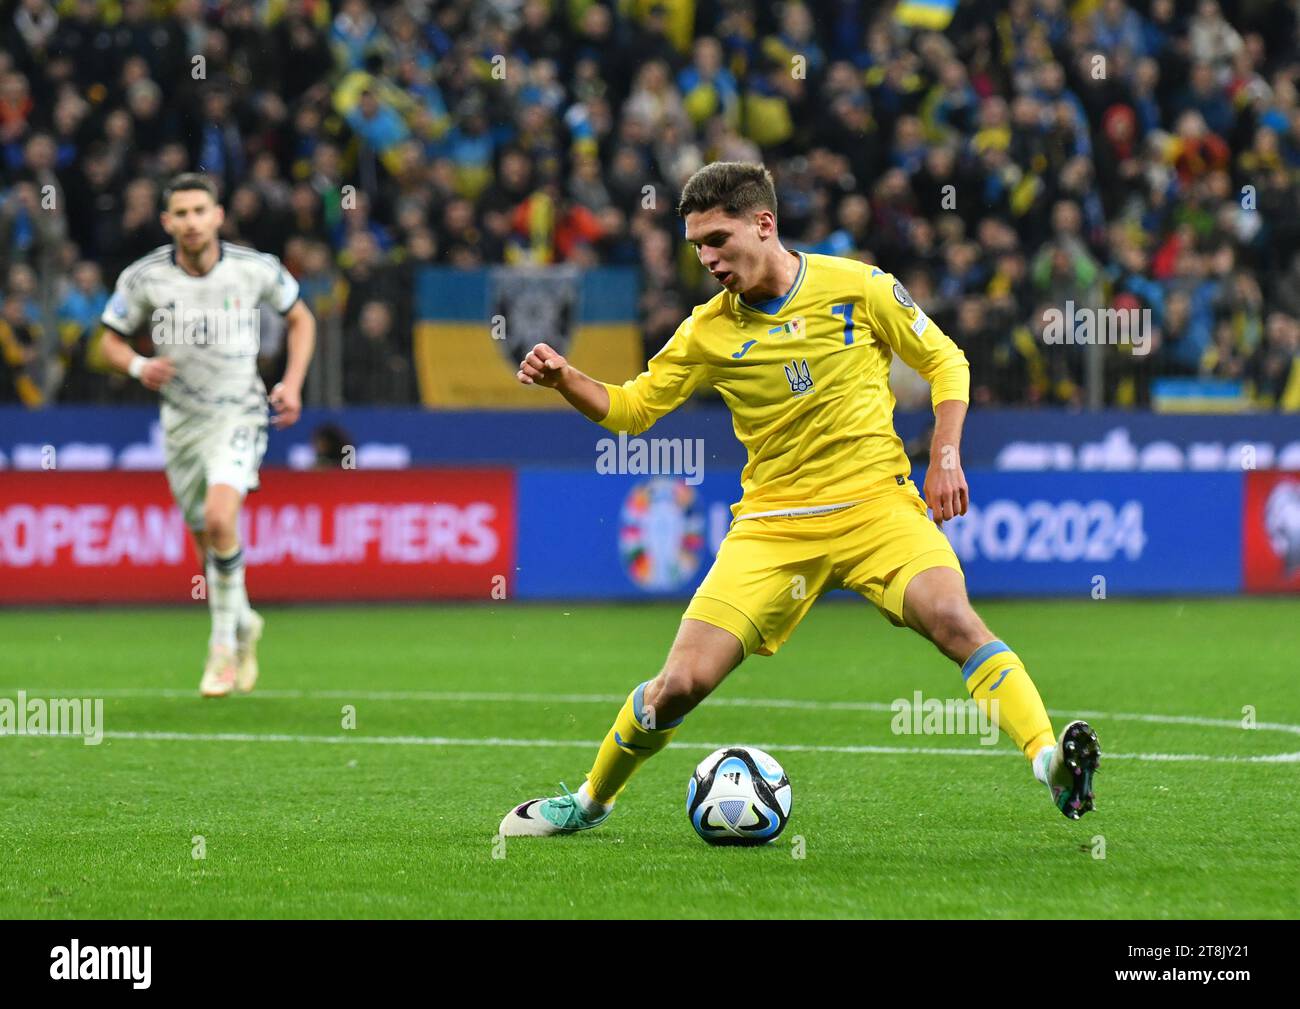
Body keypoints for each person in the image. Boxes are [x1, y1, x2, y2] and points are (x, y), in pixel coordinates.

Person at [500, 162, 1099, 836]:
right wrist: (566, 377)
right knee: (680, 685)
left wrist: (946, 451)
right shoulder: (707, 331)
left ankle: (1050, 762)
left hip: (877, 506)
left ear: (764, 223)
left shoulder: (858, 286)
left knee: (955, 619)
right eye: (697, 246)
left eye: (718, 240)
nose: (707, 259)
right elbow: (632, 408)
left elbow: (947, 360)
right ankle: (589, 801)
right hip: (772, 526)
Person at [98, 173, 317, 697]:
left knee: (222, 517)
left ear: (217, 216)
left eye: (201, 211)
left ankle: (221, 649)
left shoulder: (254, 269)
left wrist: (291, 383)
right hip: (181, 426)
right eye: (182, 213)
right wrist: (135, 366)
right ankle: (243, 621)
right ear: (167, 221)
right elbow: (108, 339)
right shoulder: (145, 277)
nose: (192, 222)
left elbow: (302, 319)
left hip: (240, 413)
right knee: (206, 538)